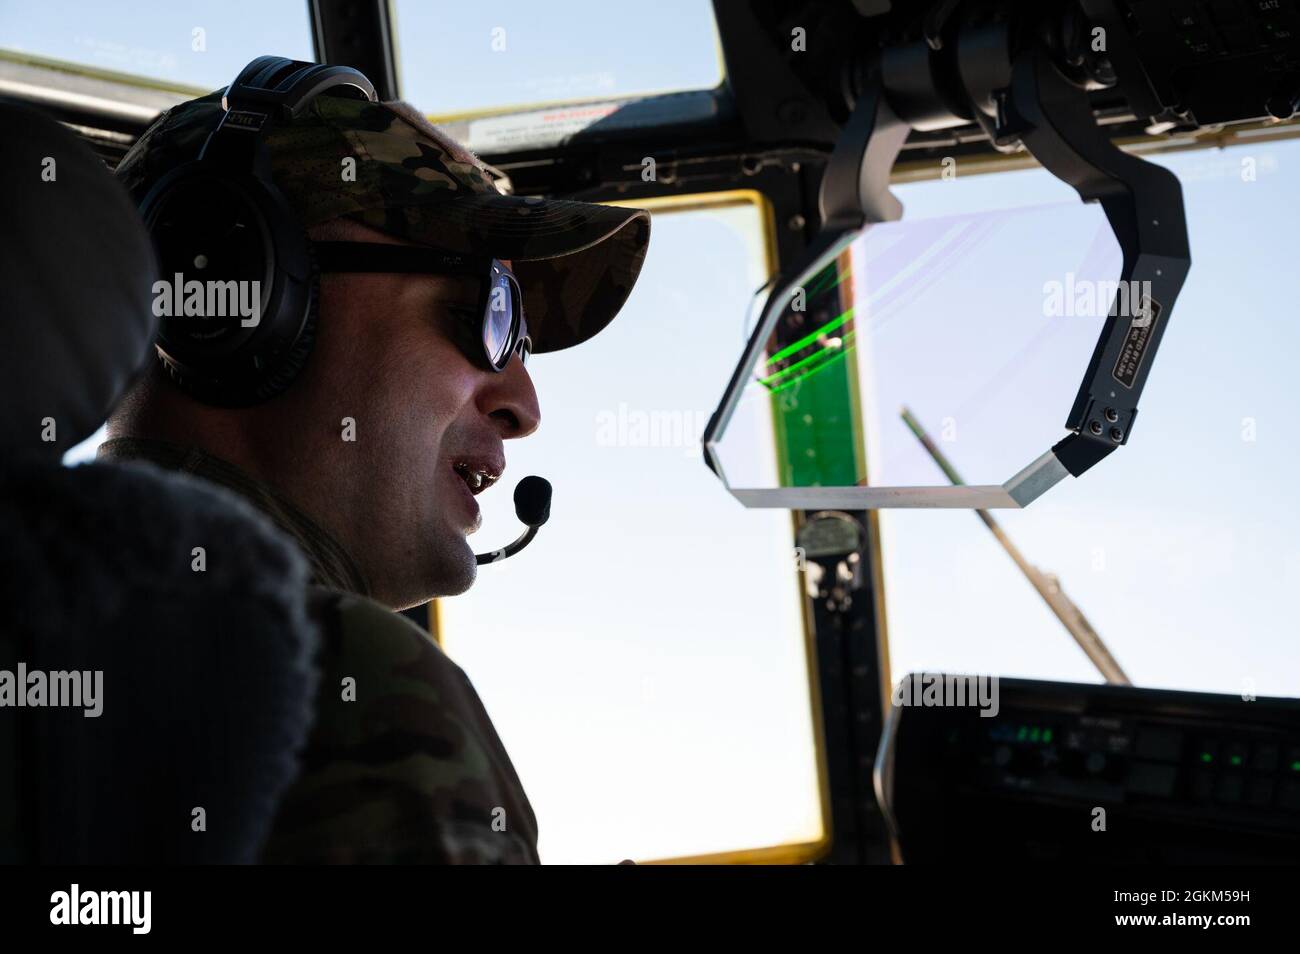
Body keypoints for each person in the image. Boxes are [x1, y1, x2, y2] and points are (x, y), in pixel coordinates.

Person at [105, 80, 651, 863]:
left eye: (521, 340)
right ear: (241, 288)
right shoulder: (328, 677)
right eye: (489, 308)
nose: (524, 404)